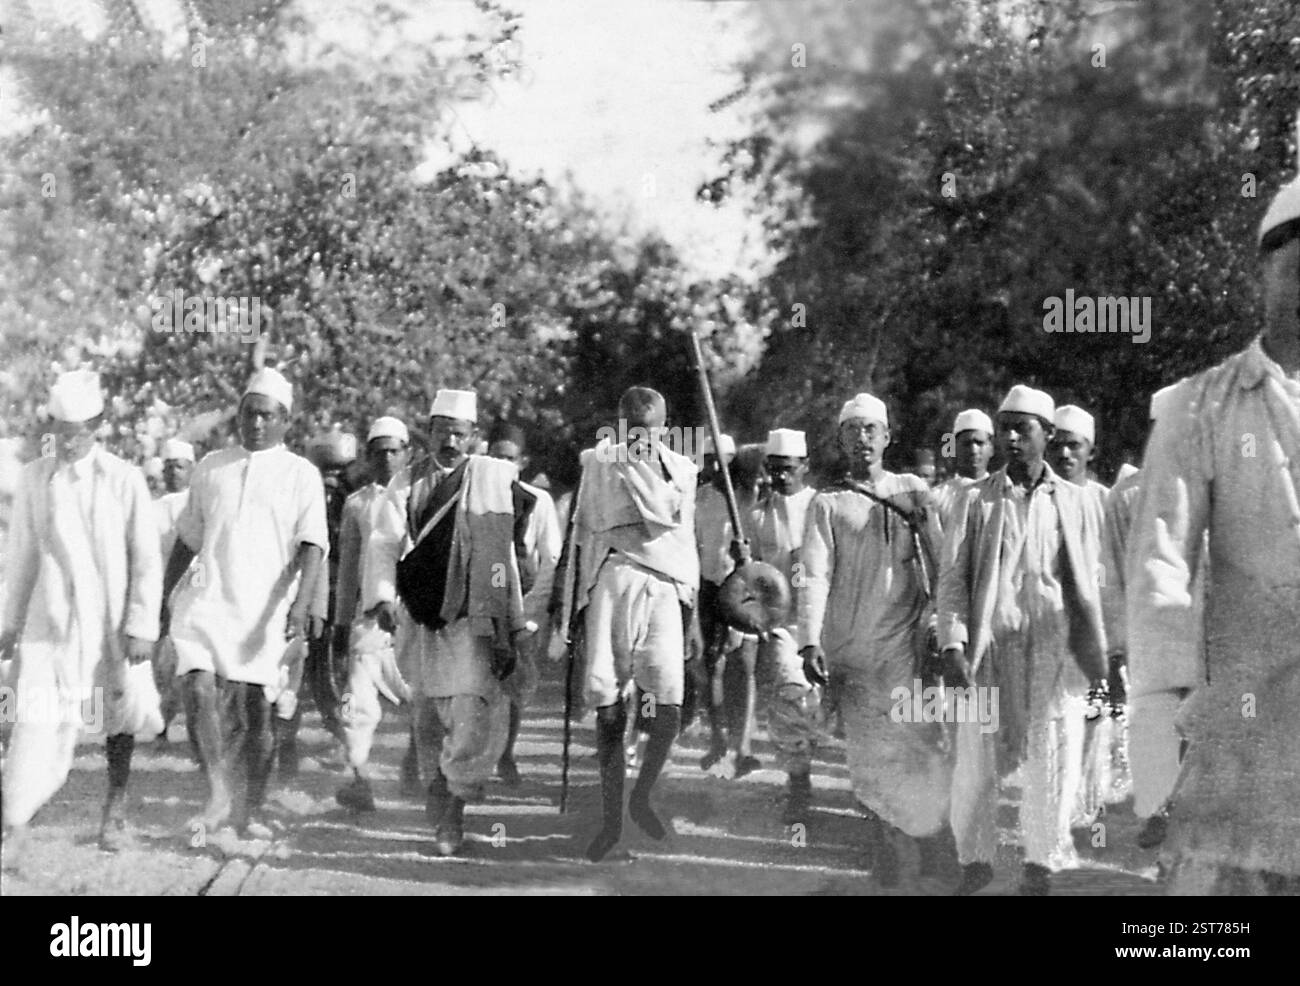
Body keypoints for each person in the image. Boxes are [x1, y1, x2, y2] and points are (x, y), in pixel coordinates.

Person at [1125, 170, 1300, 895]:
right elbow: (1159, 564)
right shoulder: (1202, 406)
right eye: (1297, 268)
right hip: (1243, 726)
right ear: (1265, 271)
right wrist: (1167, 713)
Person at [937, 384, 1108, 896]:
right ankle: (975, 860)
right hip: (992, 648)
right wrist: (952, 644)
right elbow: (951, 580)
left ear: (1047, 435)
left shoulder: (1077, 501)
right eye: (1004, 426)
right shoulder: (975, 500)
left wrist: (1105, 650)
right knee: (975, 759)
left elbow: (1096, 580)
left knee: (1054, 752)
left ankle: (1041, 863)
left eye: (1022, 428)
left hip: (1054, 646)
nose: (1010, 437)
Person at [0, 370, 161, 863]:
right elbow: (23, 555)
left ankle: (115, 805)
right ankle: (17, 820)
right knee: (34, 716)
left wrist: (140, 625)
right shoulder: (34, 479)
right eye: (61, 431)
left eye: (80, 430)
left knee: (119, 711)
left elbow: (145, 556)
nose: (70, 441)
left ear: (98, 426)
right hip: (49, 622)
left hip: (110, 620)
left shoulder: (123, 479)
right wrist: (8, 624)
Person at [365, 389, 533, 856]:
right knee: (427, 717)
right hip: (422, 614)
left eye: (460, 434)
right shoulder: (408, 482)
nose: (451, 442)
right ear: (430, 432)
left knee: (471, 712)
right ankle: (437, 779)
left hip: (473, 616)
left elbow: (503, 554)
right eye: (443, 432)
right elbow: (383, 541)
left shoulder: (490, 479)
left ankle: (455, 806)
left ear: (474, 436)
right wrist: (382, 596)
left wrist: (505, 617)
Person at [161, 367, 328, 839]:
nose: (256, 424)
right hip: (208, 599)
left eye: (266, 416)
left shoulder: (301, 475)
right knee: (196, 687)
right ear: (239, 415)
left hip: (265, 608)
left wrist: (299, 606)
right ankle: (216, 790)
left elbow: (313, 545)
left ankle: (250, 808)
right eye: (249, 414)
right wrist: (163, 597)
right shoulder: (212, 466)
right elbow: (187, 540)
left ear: (285, 421)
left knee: (258, 715)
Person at [799, 393, 950, 887]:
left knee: (918, 744)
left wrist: (941, 627)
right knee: (867, 756)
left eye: (871, 429)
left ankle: (932, 840)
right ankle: (887, 842)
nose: (862, 439)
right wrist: (809, 641)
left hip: (905, 644)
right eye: (853, 430)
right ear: (840, 439)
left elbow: (942, 563)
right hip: (851, 649)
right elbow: (814, 575)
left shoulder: (912, 491)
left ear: (887, 436)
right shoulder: (826, 502)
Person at [562, 386, 701, 862]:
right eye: (633, 428)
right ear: (622, 426)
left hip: (665, 588)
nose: (642, 436)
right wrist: (571, 610)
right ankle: (611, 820)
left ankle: (642, 794)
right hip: (612, 582)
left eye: (651, 428)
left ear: (665, 426)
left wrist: (693, 612)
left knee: (668, 706)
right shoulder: (599, 464)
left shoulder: (683, 469)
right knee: (608, 703)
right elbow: (579, 537)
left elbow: (686, 544)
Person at [333, 417, 417, 812]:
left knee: (422, 696)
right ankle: (357, 774)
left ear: (408, 453)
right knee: (357, 700)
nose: (386, 458)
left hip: (415, 616)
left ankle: (417, 761)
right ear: (367, 457)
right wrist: (340, 620)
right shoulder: (358, 504)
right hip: (368, 618)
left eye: (394, 450)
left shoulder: (423, 493)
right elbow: (349, 566)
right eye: (378, 451)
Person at [750, 428, 821, 824]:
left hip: (824, 621)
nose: (780, 477)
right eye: (773, 469)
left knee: (827, 706)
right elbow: (750, 576)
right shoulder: (758, 515)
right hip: (782, 624)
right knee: (787, 698)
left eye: (788, 469)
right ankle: (798, 784)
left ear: (804, 467)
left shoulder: (822, 505)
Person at [276, 429, 357, 779]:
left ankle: (347, 742)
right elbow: (314, 552)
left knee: (337, 680)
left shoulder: (356, 502)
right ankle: (286, 746)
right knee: (295, 675)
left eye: (338, 472)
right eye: (326, 471)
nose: (331, 480)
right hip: (309, 598)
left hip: (347, 601)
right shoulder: (298, 497)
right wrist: (314, 605)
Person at [486, 423, 561, 787]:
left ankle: (506, 753)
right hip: (482, 601)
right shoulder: (477, 494)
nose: (503, 465)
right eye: (496, 457)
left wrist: (533, 610)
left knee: (515, 684)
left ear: (523, 462)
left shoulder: (539, 500)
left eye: (510, 459)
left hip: (525, 605)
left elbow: (550, 558)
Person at [153, 438, 196, 742]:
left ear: (191, 469)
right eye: (168, 468)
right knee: (163, 661)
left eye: (179, 467)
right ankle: (162, 724)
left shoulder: (197, 504)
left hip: (193, 589)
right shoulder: (152, 508)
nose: (173, 474)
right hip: (160, 588)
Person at [933, 409, 994, 531]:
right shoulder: (938, 498)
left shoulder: (1001, 494)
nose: (973, 450)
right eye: (966, 444)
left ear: (991, 448)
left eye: (979, 443)